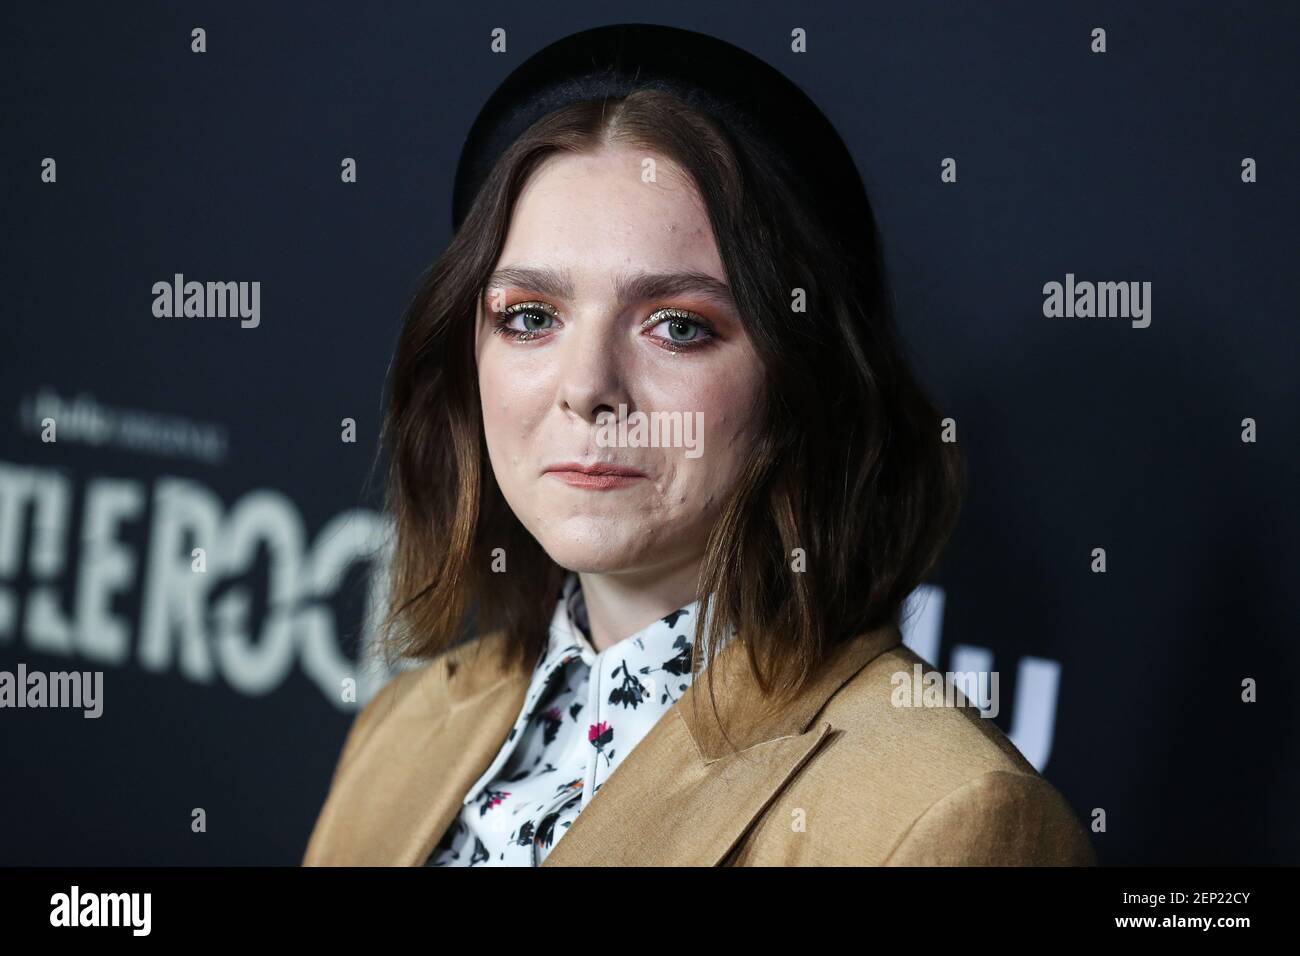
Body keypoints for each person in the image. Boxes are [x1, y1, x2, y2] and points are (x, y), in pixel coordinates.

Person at [303, 23, 1096, 866]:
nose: (586, 388)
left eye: (677, 326)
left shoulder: (945, 817)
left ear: (801, 379)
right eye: (530, 317)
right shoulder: (408, 723)